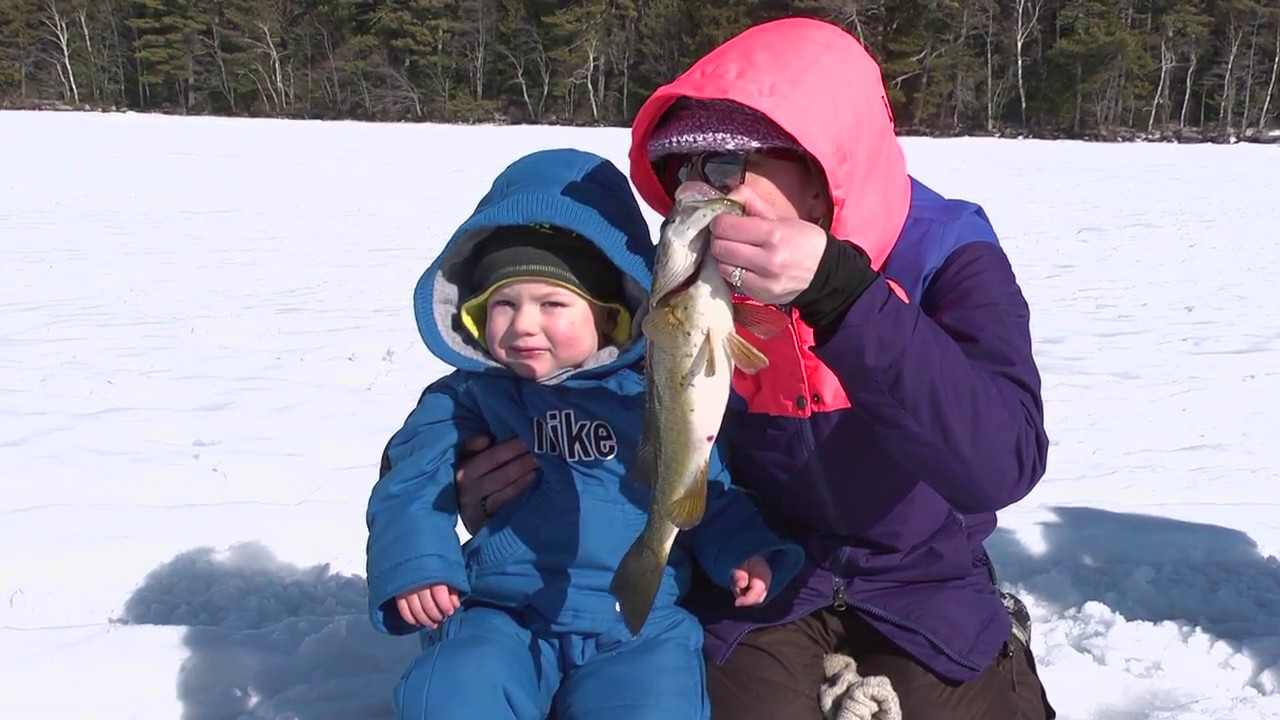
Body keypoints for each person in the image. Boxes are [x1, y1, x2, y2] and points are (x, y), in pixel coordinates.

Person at [449, 17, 1057, 720]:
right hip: (759, 569)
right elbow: (611, 405)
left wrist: (843, 294)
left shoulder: (950, 254)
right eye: (682, 169)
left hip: (927, 576)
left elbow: (1000, 463)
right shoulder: (687, 273)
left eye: (726, 166)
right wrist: (510, 485)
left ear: (821, 165)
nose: (697, 192)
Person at [366, 147, 805, 720]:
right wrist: (417, 564)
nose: (524, 324)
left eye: (551, 303)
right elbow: (411, 482)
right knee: (452, 690)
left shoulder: (656, 389)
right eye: (504, 303)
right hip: (503, 611)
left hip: (639, 626)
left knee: (654, 705)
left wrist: (746, 552)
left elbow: (701, 484)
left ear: (608, 313)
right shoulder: (470, 395)